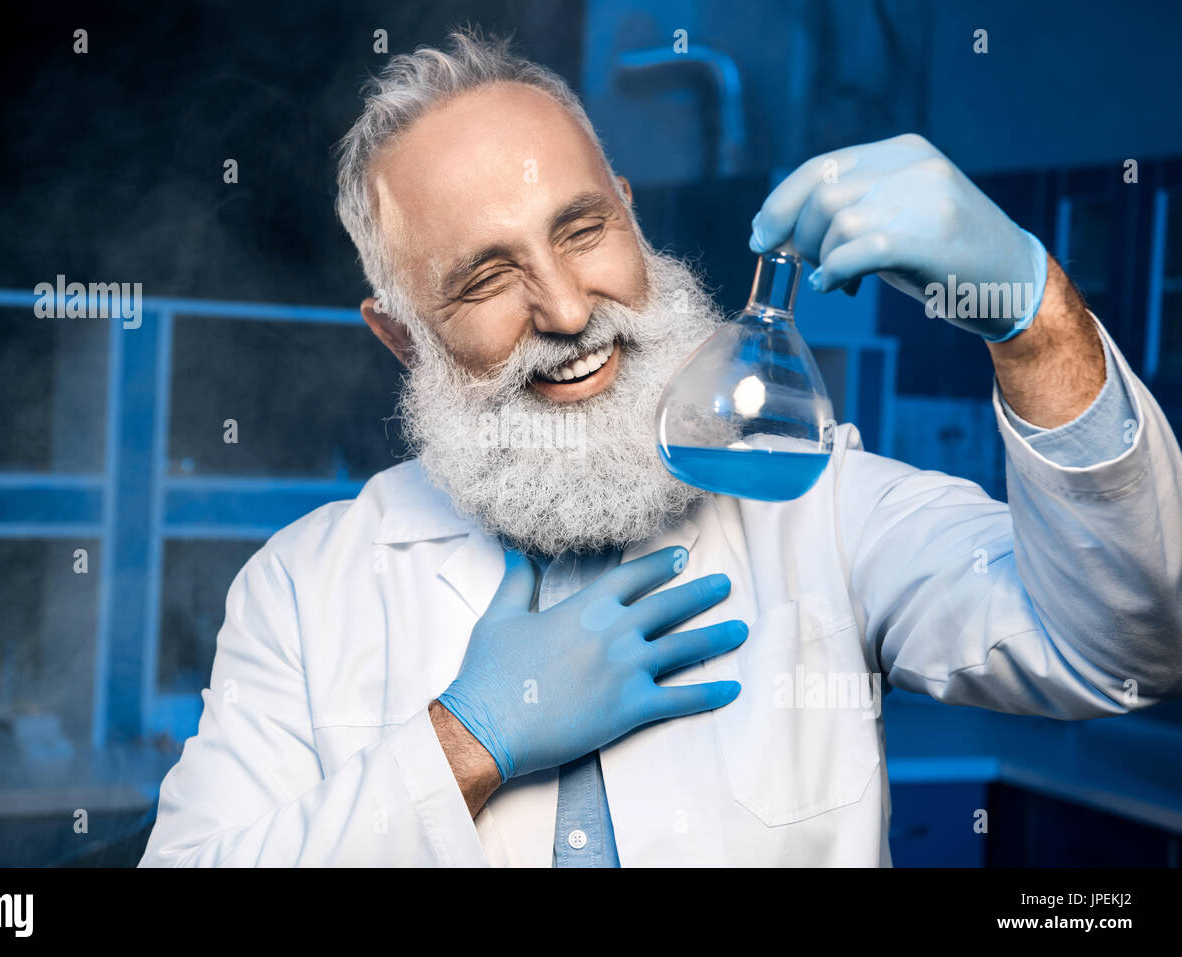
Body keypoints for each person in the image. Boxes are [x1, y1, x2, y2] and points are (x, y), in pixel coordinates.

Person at [140, 30, 1182, 867]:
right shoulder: (305, 589)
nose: (563, 308)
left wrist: (1033, 320)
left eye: (582, 230)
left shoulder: (812, 508)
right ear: (400, 333)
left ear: (630, 218)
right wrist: (464, 743)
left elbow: (1126, 656)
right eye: (484, 278)